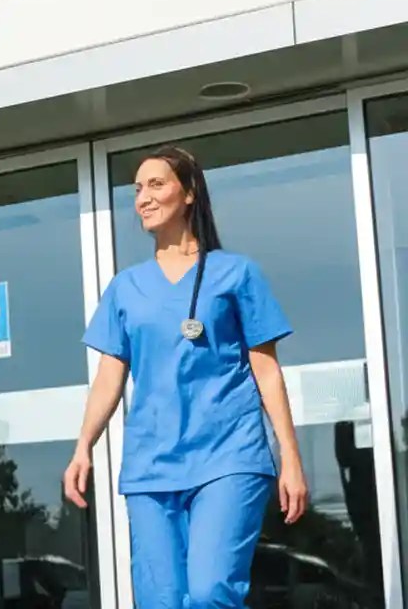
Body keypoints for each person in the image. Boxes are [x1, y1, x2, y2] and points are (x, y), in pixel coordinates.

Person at [62, 146, 308, 609]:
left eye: (156, 184)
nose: (143, 197)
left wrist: (290, 458)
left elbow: (266, 370)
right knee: (161, 599)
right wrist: (82, 446)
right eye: (137, 189)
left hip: (228, 456)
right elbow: (110, 374)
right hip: (151, 466)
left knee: (212, 590)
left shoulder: (236, 274)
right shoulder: (125, 289)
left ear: (190, 193)